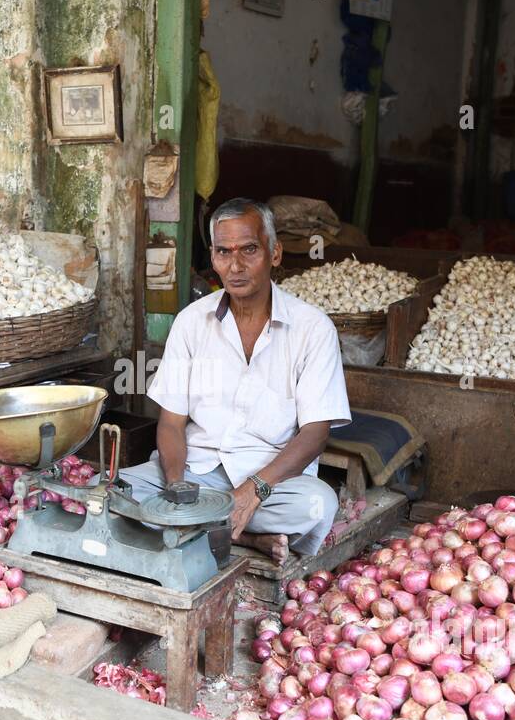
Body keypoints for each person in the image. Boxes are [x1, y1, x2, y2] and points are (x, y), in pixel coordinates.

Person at [122, 198, 351, 564]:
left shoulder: (312, 328)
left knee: (316, 506)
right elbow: (171, 422)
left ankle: (195, 530)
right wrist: (178, 485)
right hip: (196, 474)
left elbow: (315, 433)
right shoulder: (191, 322)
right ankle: (246, 540)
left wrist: (254, 489)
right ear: (212, 257)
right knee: (117, 494)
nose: (236, 265)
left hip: (271, 484)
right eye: (224, 252)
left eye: (249, 250)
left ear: (274, 253)